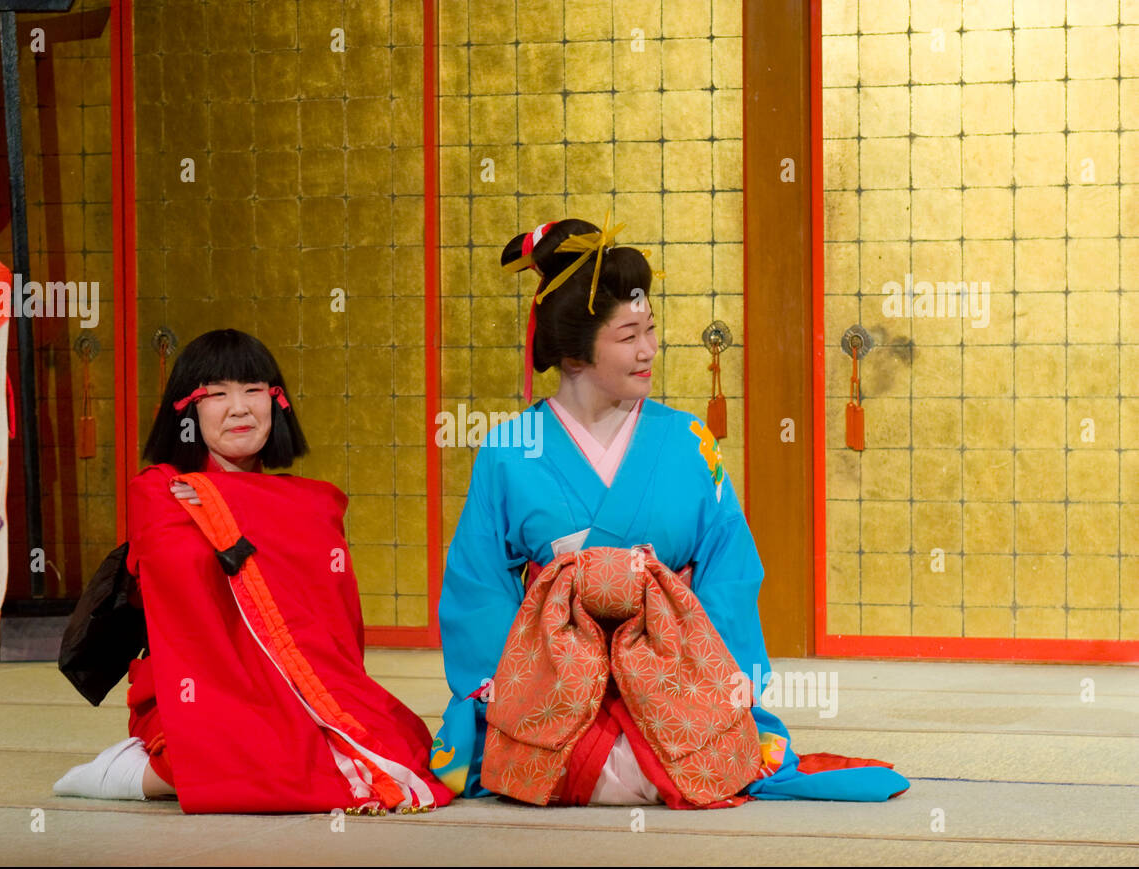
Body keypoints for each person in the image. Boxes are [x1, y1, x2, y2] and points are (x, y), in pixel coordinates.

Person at [430, 217, 909, 806]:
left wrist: (728, 682)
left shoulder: (689, 441)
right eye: (629, 335)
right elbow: (477, 584)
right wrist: (508, 687)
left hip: (671, 673)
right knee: (576, 765)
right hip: (555, 682)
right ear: (576, 351)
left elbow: (729, 570)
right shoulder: (508, 450)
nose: (649, 350)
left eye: (651, 331)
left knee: (668, 764)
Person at [54, 329, 452, 813]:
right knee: (248, 759)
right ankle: (131, 773)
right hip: (203, 686)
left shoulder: (308, 503)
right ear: (187, 412)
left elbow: (334, 618)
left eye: (253, 390)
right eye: (216, 394)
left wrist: (224, 506)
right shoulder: (157, 489)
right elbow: (181, 579)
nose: (239, 408)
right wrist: (231, 508)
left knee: (400, 745)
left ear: (276, 402)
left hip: (298, 681)